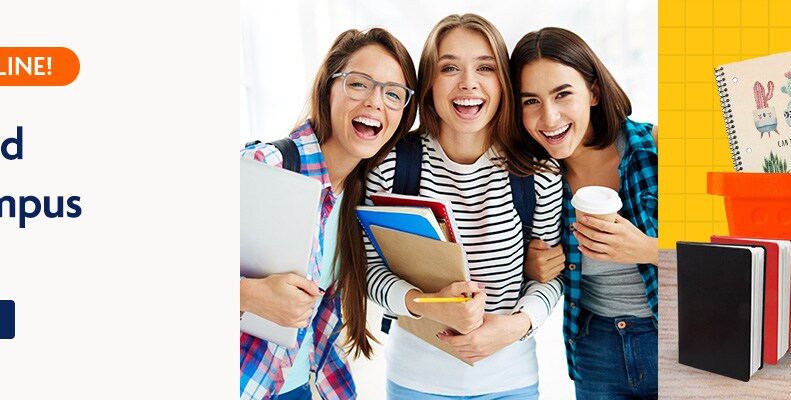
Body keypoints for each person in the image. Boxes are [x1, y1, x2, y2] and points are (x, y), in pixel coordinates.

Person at [363, 14, 563, 400]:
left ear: (503, 82)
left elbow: (549, 274)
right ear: (429, 83)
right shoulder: (392, 164)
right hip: (415, 382)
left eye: (485, 68)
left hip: (512, 381)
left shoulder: (537, 171)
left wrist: (517, 325)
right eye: (449, 67)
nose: (468, 82)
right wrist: (425, 304)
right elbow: (371, 272)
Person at [240, 27, 417, 400]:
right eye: (359, 84)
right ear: (328, 88)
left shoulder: (361, 200)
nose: (375, 102)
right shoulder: (265, 166)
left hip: (304, 387)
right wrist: (247, 295)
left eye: (393, 93)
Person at [502, 27, 659, 399]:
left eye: (562, 94)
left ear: (593, 91)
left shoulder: (653, 149)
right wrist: (529, 266)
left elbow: (721, 252)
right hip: (594, 346)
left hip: (673, 334)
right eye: (530, 101)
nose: (549, 116)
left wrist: (648, 249)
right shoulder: (529, 177)